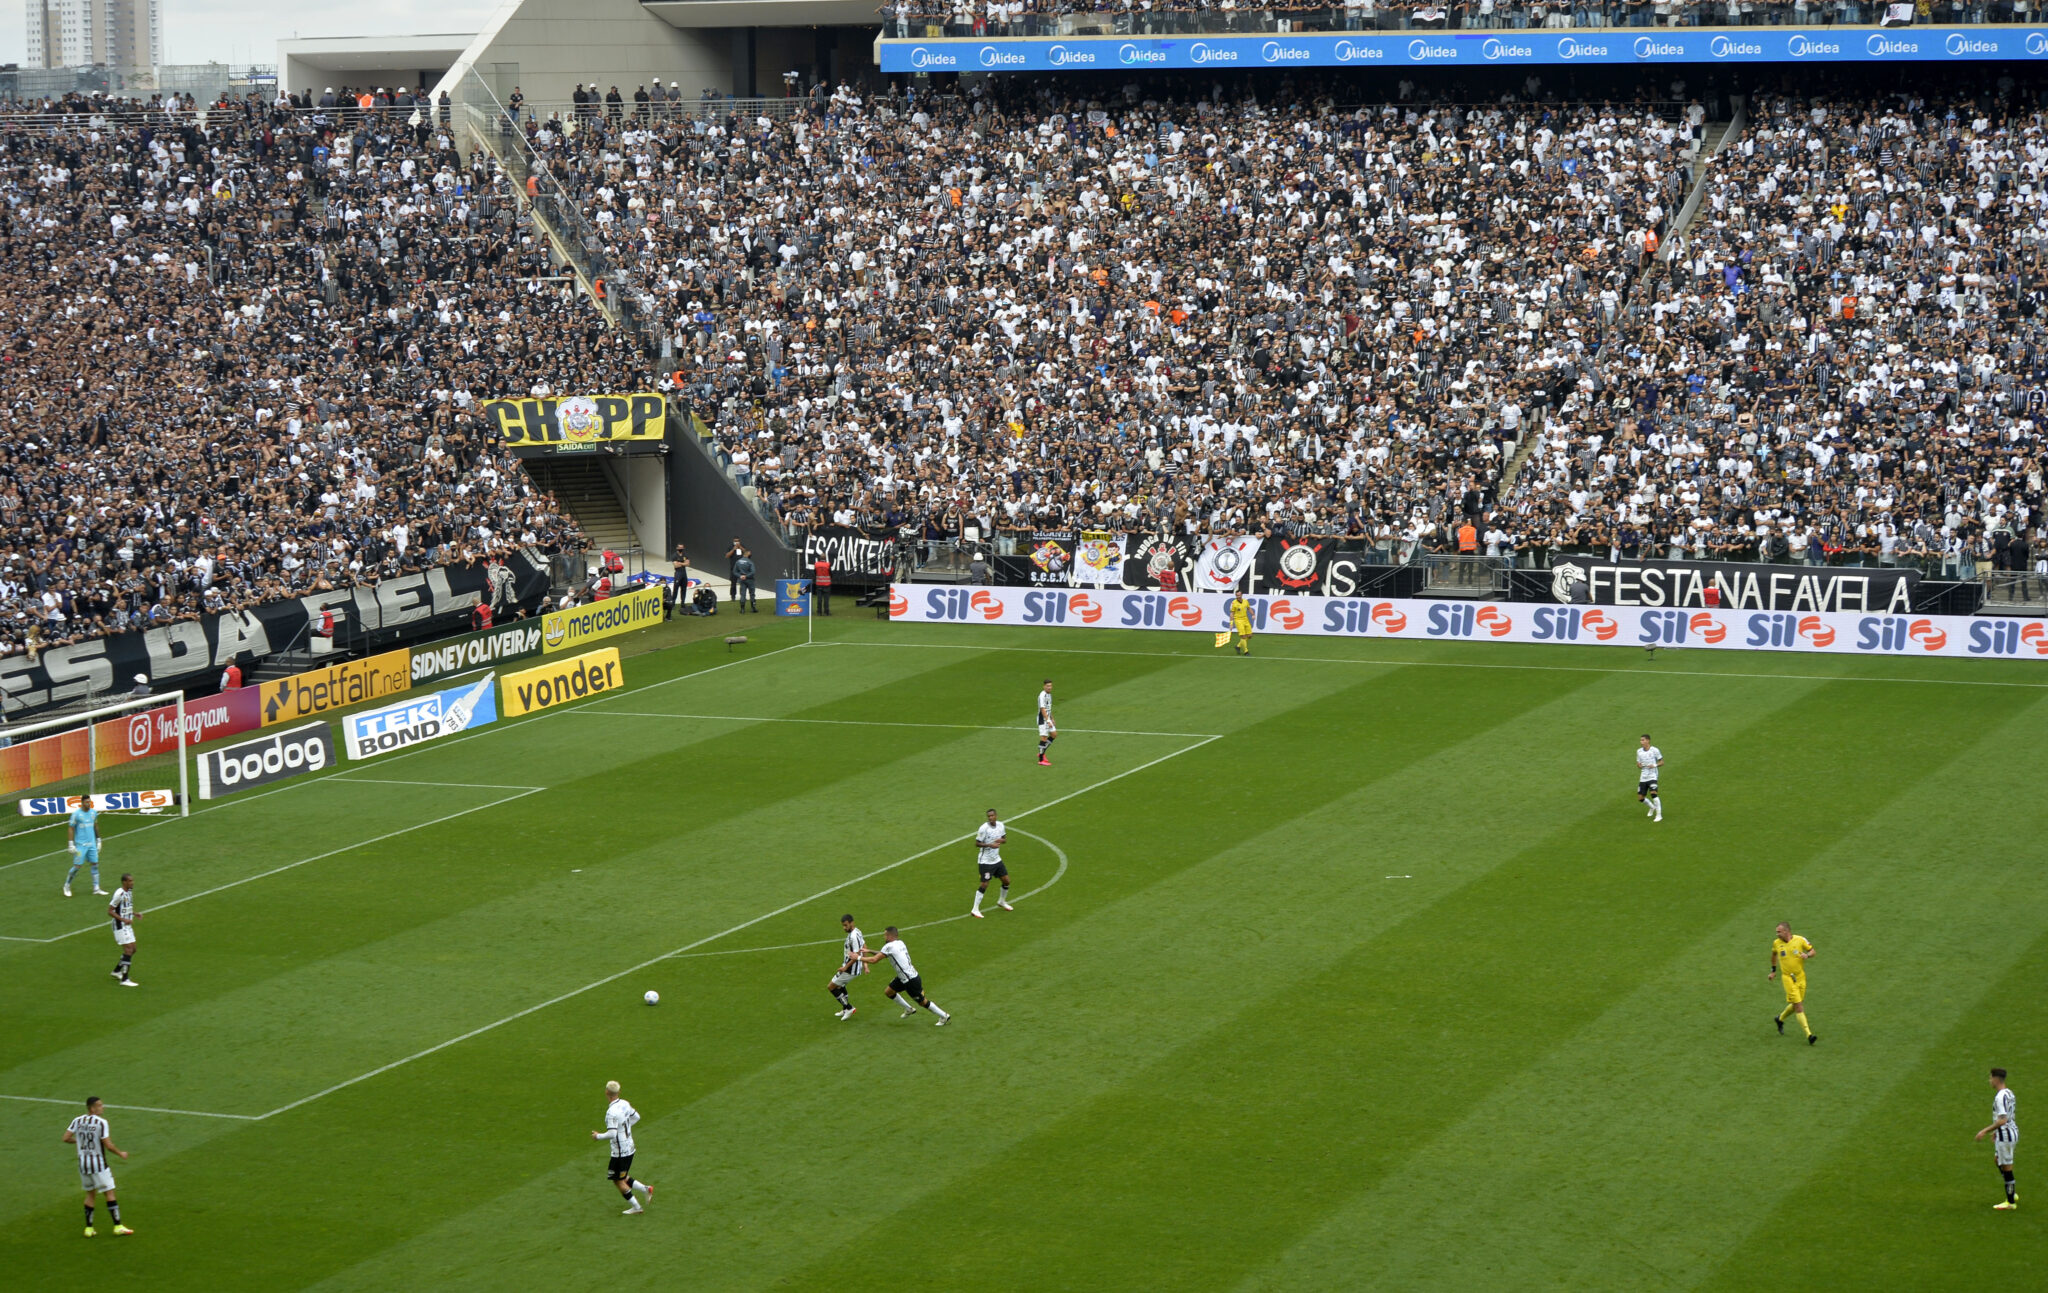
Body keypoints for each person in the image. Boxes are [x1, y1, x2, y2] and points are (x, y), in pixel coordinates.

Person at [63, 1097, 131, 1236]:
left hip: (83, 1164)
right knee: (109, 1193)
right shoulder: (101, 1122)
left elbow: (65, 1138)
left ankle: (89, 1229)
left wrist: (79, 1141)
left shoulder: (77, 1120)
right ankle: (118, 1226)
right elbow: (108, 1145)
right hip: (98, 1164)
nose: (102, 1107)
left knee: (90, 1194)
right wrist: (120, 1153)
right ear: (92, 1108)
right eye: (99, 1105)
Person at [857, 926, 950, 1025]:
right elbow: (884, 953)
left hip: (910, 981)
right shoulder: (900, 943)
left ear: (889, 936)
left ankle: (944, 1016)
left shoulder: (889, 946)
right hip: (905, 977)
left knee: (922, 1002)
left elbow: (874, 960)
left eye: (885, 935)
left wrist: (857, 957)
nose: (884, 937)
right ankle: (909, 1009)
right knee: (889, 992)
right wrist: (869, 951)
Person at [590, 1080, 654, 1214]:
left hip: (620, 1152)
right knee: (623, 1176)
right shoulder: (625, 1103)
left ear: (606, 1092)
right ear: (618, 1092)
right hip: (630, 1147)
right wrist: (624, 1130)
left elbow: (612, 1134)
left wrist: (598, 1136)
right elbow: (636, 1117)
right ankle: (646, 1189)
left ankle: (637, 1207)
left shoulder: (611, 1112)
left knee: (617, 1180)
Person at [1978, 1068, 2020, 1210]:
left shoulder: (2000, 1097)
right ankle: (2011, 1191)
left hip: (2006, 1135)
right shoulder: (2009, 1093)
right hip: (2010, 1131)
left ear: (1996, 1079)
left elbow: (2002, 1120)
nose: (1989, 1081)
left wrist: (1985, 1131)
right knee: (1998, 1160)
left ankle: (2010, 1202)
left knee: (2007, 1168)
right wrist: (1997, 1131)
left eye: (1990, 1078)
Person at [1768, 921, 1816, 1043]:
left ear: (1786, 931)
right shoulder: (1776, 943)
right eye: (1776, 932)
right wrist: (1773, 971)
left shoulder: (1800, 940)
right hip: (1788, 978)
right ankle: (1809, 1035)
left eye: (1779, 932)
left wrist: (1807, 955)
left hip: (1800, 977)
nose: (1777, 934)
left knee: (1797, 1004)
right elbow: (1773, 955)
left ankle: (1780, 1019)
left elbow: (1813, 951)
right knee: (1799, 1006)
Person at [971, 808, 1013, 918]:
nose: (990, 818)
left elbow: (1004, 839)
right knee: (984, 884)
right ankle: (975, 909)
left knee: (1006, 881)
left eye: (992, 816)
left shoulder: (1000, 825)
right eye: (988, 816)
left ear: (996, 816)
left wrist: (1001, 840)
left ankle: (1001, 901)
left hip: (996, 859)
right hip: (985, 862)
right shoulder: (983, 828)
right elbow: (977, 843)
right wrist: (990, 845)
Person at [64, 801, 106, 898]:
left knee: (95, 864)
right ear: (82, 803)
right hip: (80, 846)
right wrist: (71, 844)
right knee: (77, 866)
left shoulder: (93, 813)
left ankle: (96, 888)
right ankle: (67, 885)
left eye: (89, 801)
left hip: (92, 844)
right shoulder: (76, 814)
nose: (88, 803)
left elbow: (95, 825)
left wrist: (99, 840)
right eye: (86, 802)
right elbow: (71, 828)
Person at [828, 913, 866, 1019]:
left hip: (850, 968)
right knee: (840, 985)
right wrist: (865, 964)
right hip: (849, 966)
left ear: (851, 923)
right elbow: (864, 945)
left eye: (846, 925)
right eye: (843, 926)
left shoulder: (854, 936)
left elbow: (857, 954)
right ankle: (845, 1009)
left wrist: (845, 967)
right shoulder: (857, 931)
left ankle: (849, 1008)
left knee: (831, 987)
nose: (844, 928)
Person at [109, 874, 138, 986]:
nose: (132, 882)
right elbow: (110, 911)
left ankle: (116, 971)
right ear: (124, 882)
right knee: (128, 950)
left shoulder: (129, 892)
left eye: (132, 880)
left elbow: (125, 908)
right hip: (120, 925)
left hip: (127, 925)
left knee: (133, 949)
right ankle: (124, 979)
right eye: (130, 881)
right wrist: (123, 919)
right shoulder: (119, 894)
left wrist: (134, 913)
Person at [1636, 734, 1663, 822]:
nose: (1641, 742)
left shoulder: (1654, 750)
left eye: (1643, 740)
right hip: (1643, 777)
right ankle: (1652, 807)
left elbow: (1662, 762)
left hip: (1652, 776)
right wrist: (1640, 765)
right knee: (1640, 798)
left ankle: (1659, 815)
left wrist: (1654, 765)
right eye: (1641, 740)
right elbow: (1638, 764)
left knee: (1653, 794)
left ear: (1648, 741)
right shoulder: (1639, 751)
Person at [1036, 678, 1056, 766]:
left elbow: (1048, 708)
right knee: (1044, 738)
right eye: (1047, 686)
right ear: (1044, 686)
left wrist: (1052, 718)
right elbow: (1043, 709)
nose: (1049, 687)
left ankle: (1042, 752)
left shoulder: (1049, 695)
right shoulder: (1042, 696)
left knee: (1054, 734)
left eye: (1050, 686)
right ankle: (1041, 759)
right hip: (1043, 720)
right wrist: (1048, 720)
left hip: (1048, 719)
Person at [1228, 591, 1254, 656]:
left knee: (1250, 635)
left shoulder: (1245, 601)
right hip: (1238, 620)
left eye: (1239, 595)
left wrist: (1253, 614)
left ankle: (1238, 646)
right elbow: (1232, 614)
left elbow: (1249, 608)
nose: (1238, 596)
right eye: (1237, 595)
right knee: (1243, 636)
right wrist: (1231, 623)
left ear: (1242, 595)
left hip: (1245, 619)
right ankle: (1246, 651)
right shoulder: (1233, 603)